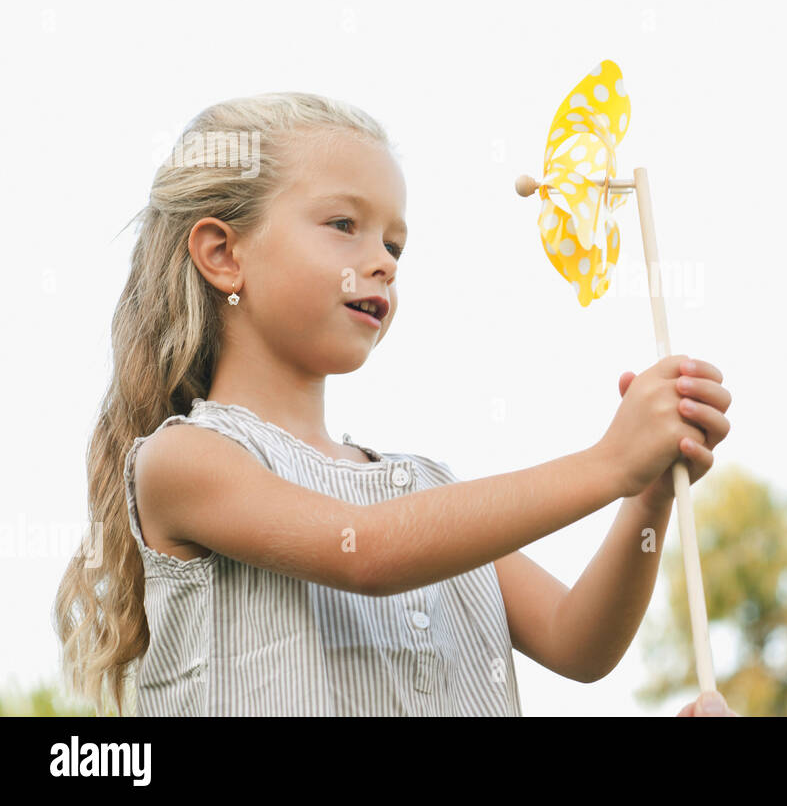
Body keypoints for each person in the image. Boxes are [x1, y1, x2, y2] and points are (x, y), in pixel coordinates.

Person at [52, 91, 735, 717]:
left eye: (394, 243)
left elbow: (576, 640)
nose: (382, 260)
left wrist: (645, 494)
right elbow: (368, 553)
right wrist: (608, 462)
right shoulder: (187, 461)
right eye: (344, 223)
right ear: (224, 254)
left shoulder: (431, 493)